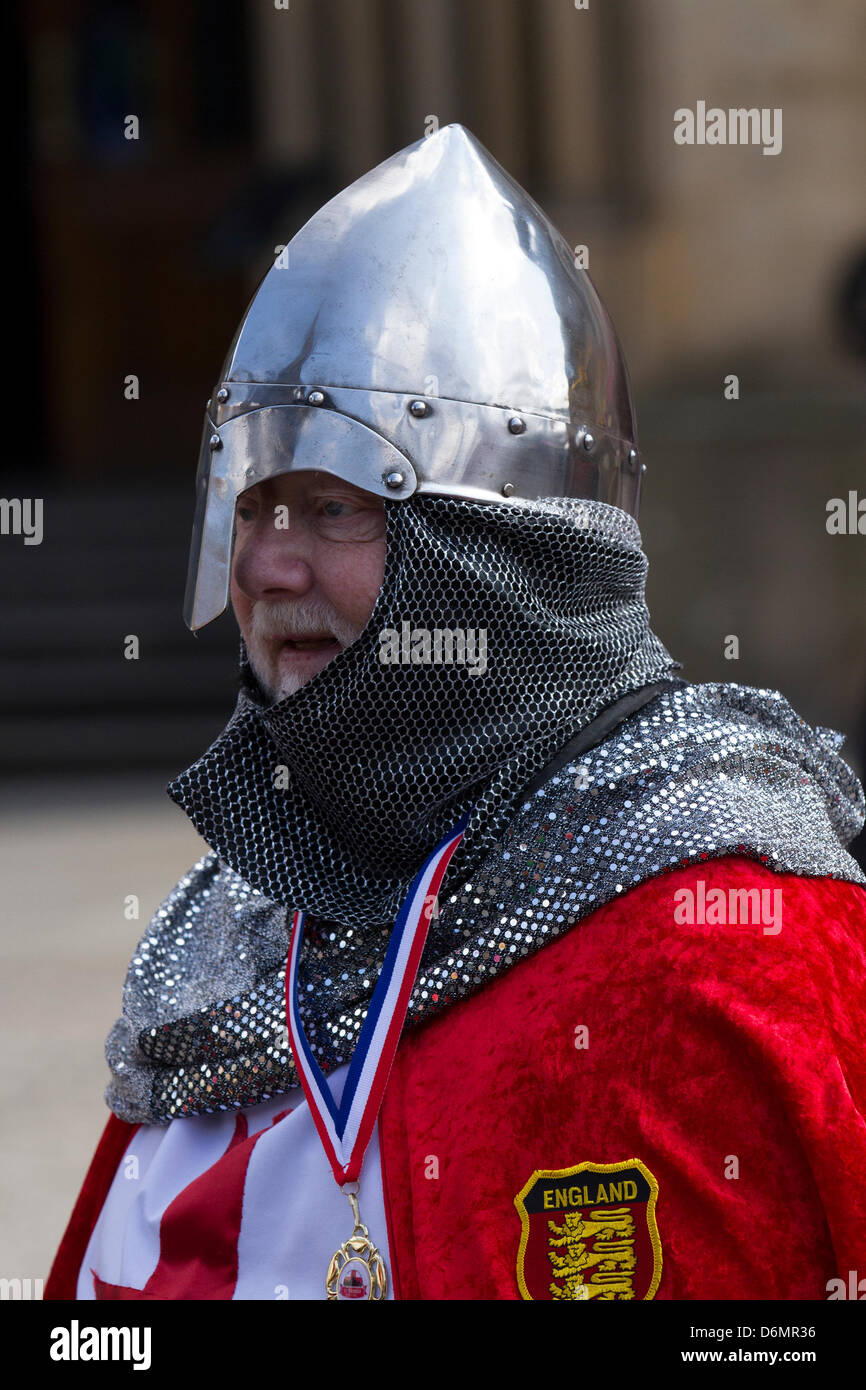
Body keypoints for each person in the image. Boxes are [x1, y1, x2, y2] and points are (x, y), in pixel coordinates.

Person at [46, 124, 866, 1302]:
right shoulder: (229, 940)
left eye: (330, 506)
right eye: (254, 504)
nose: (267, 568)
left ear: (492, 554)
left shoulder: (714, 935)